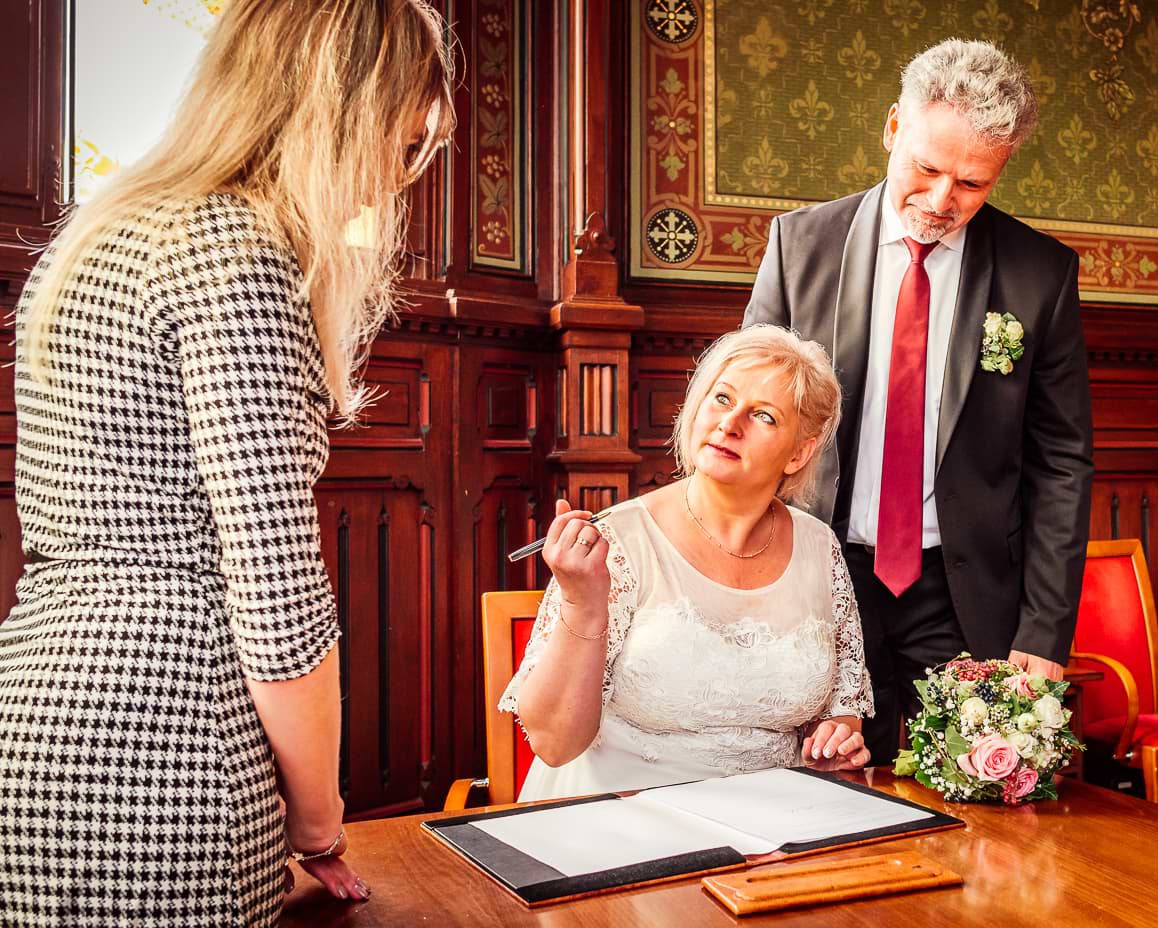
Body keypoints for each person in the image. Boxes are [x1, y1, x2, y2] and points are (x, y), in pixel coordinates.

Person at [0, 2, 455, 923]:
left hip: (37, 705)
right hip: (168, 744)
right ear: (335, 111)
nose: (389, 185)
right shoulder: (238, 255)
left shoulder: (95, 238)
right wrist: (321, 824)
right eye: (397, 143)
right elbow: (279, 599)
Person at [742, 38, 1094, 765]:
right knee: (827, 801)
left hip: (965, 591)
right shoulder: (799, 244)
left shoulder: (1041, 275)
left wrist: (1043, 631)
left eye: (971, 184)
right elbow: (746, 422)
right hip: (821, 578)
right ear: (892, 126)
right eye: (928, 170)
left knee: (987, 825)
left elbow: (1062, 461)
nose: (941, 202)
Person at [501, 325, 874, 801]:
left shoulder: (820, 546)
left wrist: (833, 745)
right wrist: (582, 602)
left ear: (799, 452)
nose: (730, 423)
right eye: (722, 398)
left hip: (773, 828)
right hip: (614, 817)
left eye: (763, 415)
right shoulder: (617, 539)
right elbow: (554, 745)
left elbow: (840, 709)